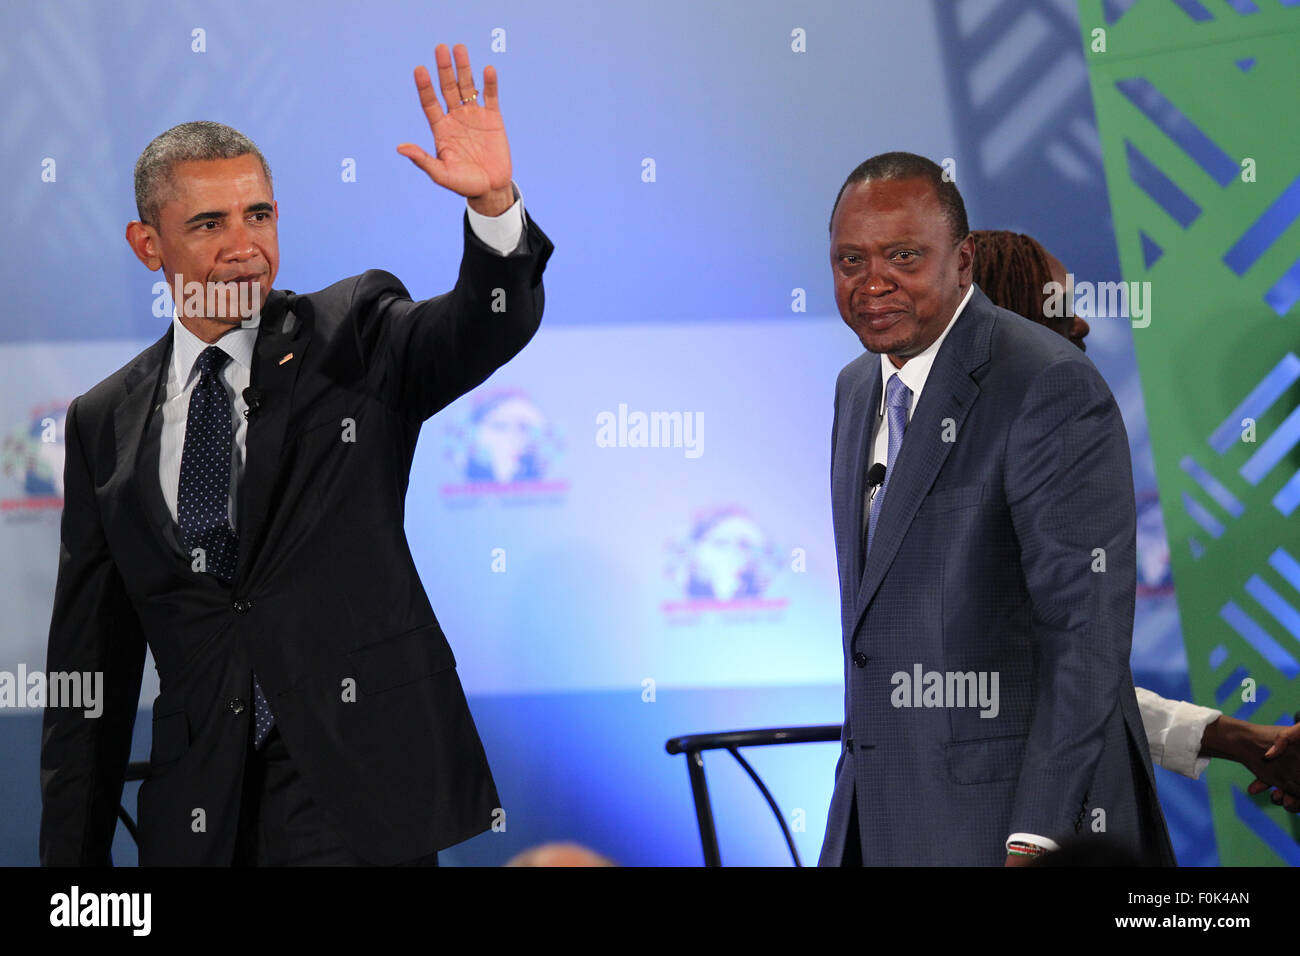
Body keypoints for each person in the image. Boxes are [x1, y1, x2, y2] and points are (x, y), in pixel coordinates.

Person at [39, 43, 553, 866]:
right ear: (149, 245)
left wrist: (494, 210)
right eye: (209, 223)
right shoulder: (104, 420)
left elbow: (483, 325)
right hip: (202, 815)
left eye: (260, 215)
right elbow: (87, 675)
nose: (244, 244)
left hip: (355, 801)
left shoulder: (350, 333)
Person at [817, 152, 1174, 866]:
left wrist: (1037, 834)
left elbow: (1084, 632)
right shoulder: (856, 388)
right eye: (850, 260)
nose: (873, 282)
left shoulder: (1045, 383)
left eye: (904, 256)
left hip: (1005, 825)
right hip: (876, 817)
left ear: (964, 261)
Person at [969, 229, 1300, 813]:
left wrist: (1241, 740)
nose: (1084, 326)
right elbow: (1030, 689)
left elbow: (1073, 680)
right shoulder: (959, 489)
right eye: (1059, 308)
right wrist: (1240, 739)